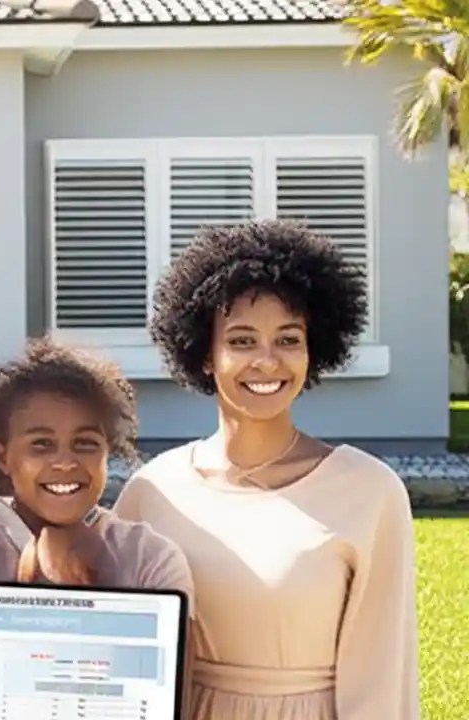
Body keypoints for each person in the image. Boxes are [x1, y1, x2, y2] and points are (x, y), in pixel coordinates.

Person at [113, 219, 420, 719]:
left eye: (288, 339)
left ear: (313, 348)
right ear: (205, 355)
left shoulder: (369, 491)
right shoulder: (153, 490)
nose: (267, 361)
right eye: (241, 340)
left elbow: (384, 675)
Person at [0, 337, 195, 714]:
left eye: (85, 444)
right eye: (41, 445)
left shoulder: (152, 558)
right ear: (3, 455)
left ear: (107, 451)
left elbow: (172, 698)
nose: (65, 462)